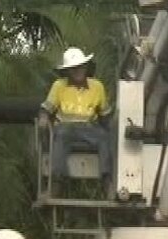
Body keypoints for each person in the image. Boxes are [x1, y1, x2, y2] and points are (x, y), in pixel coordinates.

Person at [39, 47, 114, 197]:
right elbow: (47, 107)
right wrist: (44, 117)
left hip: (89, 128)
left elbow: (104, 114)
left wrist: (111, 129)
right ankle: (57, 182)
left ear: (85, 67)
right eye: (73, 68)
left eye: (80, 67)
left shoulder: (97, 87)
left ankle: (107, 181)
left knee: (105, 138)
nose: (77, 71)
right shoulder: (59, 86)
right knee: (60, 135)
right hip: (65, 128)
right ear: (67, 71)